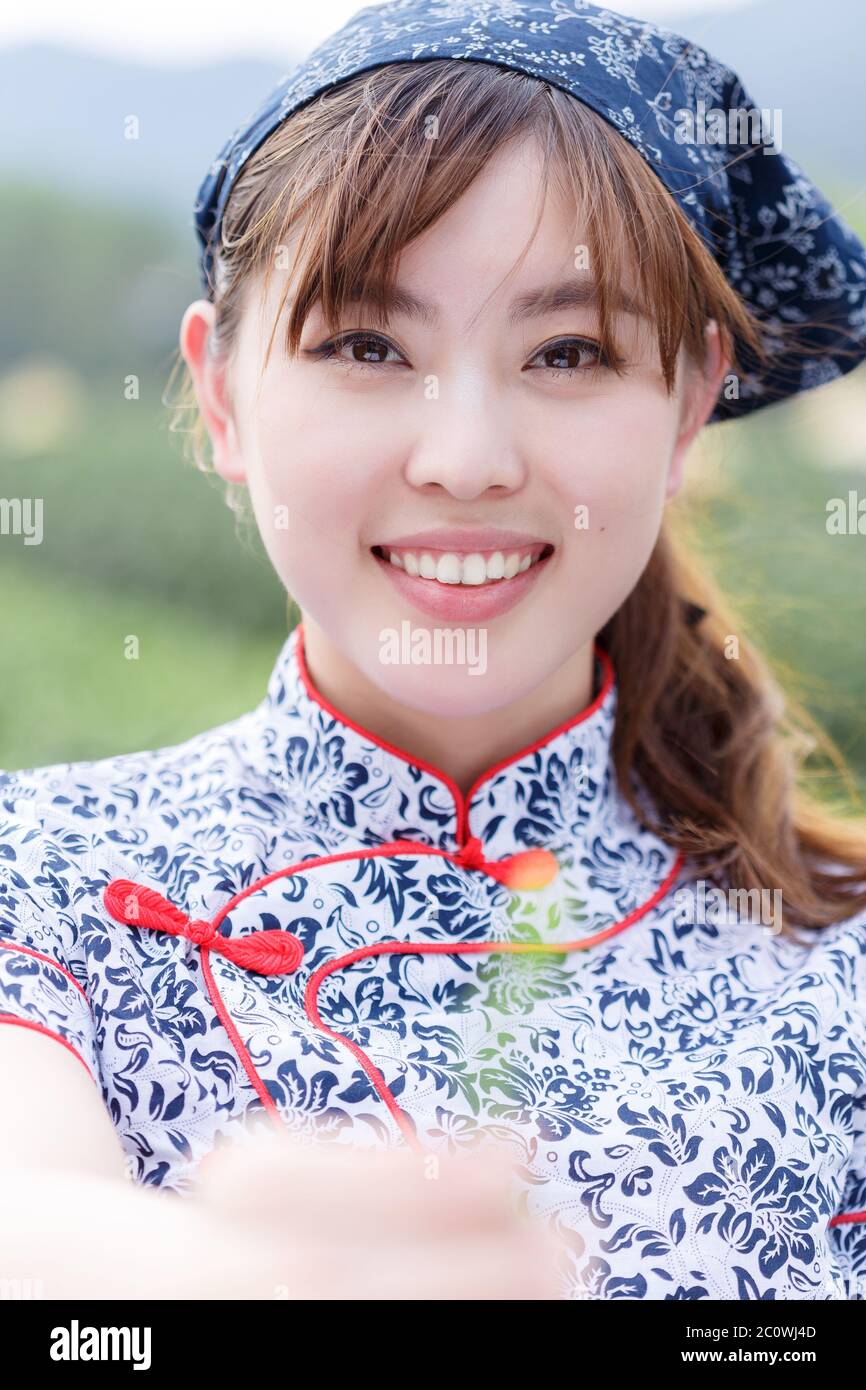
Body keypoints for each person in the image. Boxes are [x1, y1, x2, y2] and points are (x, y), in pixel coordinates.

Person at [2, 0, 866, 1301]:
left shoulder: (837, 953)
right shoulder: (42, 879)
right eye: (367, 344)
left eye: (567, 351)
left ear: (686, 408)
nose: (463, 458)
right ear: (224, 392)